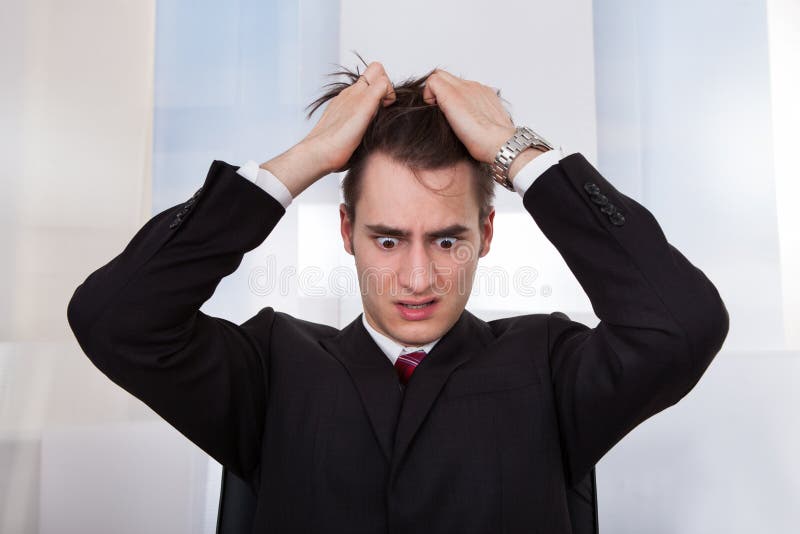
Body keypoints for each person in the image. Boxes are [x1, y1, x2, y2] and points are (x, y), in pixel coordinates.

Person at [67, 61, 729, 533]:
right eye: (388, 240)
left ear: (486, 233)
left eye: (446, 240)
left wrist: (515, 152)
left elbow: (684, 325)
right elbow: (113, 319)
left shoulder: (549, 364)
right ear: (346, 232)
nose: (417, 278)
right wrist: (310, 156)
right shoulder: (272, 365)